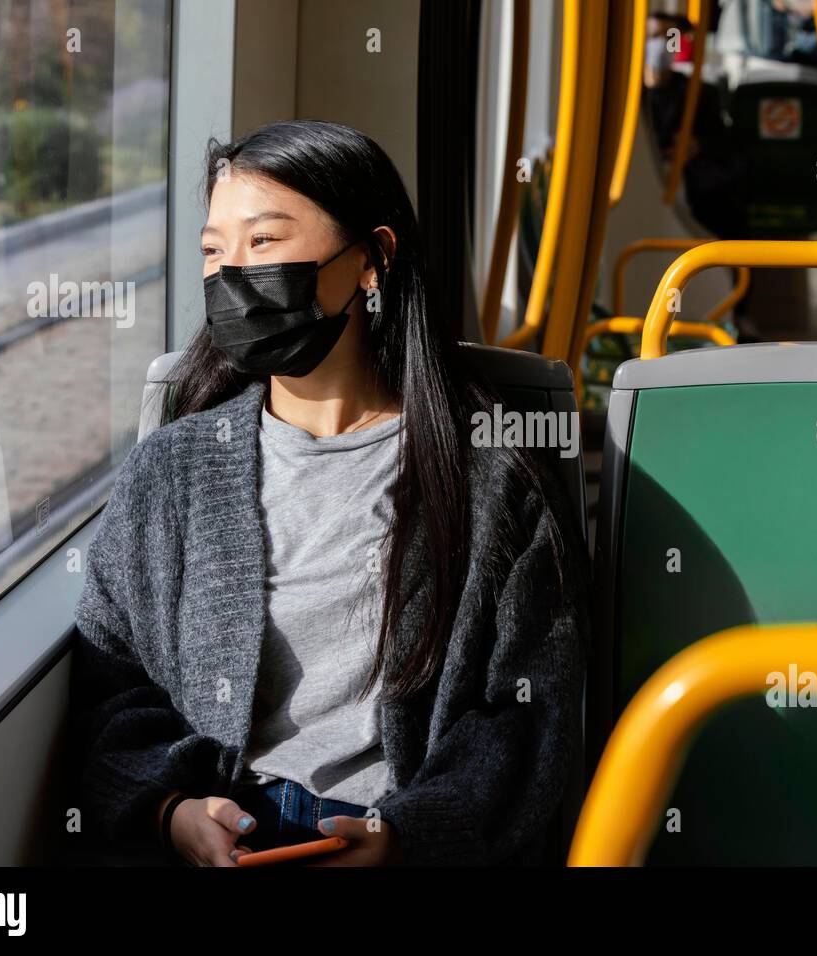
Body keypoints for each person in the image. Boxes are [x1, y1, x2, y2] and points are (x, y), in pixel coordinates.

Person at [69, 120, 590, 865]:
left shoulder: (492, 481)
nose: (233, 275)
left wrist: (406, 837)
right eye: (215, 252)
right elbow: (110, 679)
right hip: (222, 834)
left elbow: (525, 717)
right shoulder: (173, 470)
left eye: (266, 242)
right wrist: (172, 809)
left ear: (371, 259)